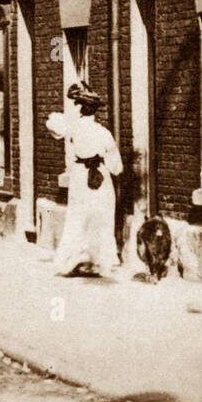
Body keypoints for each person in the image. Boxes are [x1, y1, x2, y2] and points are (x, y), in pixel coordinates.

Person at [51, 82, 123, 277]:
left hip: (80, 177)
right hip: (101, 178)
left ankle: (73, 261)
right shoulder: (104, 133)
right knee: (101, 218)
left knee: (77, 218)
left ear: (80, 109)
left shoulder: (74, 129)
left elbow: (53, 123)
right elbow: (117, 167)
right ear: (94, 111)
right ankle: (98, 263)